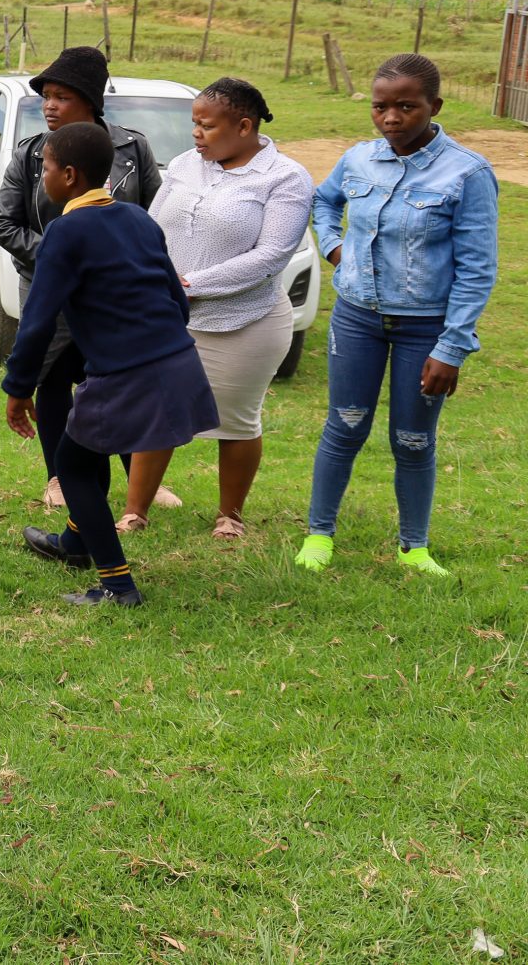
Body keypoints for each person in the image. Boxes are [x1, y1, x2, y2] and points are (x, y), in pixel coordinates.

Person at [297, 53, 499, 577]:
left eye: (406, 107)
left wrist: (451, 348)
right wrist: (338, 251)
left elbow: (477, 270)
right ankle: (319, 535)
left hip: (426, 330)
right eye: (380, 107)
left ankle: (414, 546)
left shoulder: (468, 173)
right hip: (356, 318)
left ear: (434, 106)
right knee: (344, 426)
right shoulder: (359, 159)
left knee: (412, 438)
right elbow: (323, 203)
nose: (391, 118)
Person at [4, 123, 218, 608]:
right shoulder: (140, 220)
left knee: (72, 465)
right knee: (85, 450)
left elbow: (38, 321)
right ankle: (75, 543)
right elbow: (176, 303)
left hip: (129, 373)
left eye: (47, 170)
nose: (43, 180)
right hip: (178, 361)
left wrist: (18, 387)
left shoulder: (64, 231)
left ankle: (118, 586)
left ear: (70, 176)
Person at [120, 78, 313, 539]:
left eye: (207, 126)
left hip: (244, 322)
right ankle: (134, 512)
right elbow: (150, 225)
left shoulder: (286, 178)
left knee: (236, 420)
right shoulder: (187, 164)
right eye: (194, 124)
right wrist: (143, 273)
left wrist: (190, 284)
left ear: (244, 126)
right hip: (169, 316)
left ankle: (230, 515)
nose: (196, 134)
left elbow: (271, 257)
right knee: (157, 411)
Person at [0, 45, 171, 510]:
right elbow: (5, 225)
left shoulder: (132, 149)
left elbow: (157, 215)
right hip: (49, 290)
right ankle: (58, 478)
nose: (49, 105)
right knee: (52, 380)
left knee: (122, 381)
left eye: (61, 96)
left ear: (90, 101)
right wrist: (62, 258)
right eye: (46, 96)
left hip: (116, 294)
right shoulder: (30, 155)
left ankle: (139, 481)